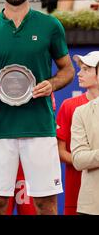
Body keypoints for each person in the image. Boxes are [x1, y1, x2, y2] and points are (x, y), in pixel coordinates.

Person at [0, 0, 75, 215]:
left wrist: (51, 84)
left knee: (45, 204)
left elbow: (68, 70)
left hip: (39, 126)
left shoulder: (50, 25)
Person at [57, 51, 99, 215]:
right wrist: (82, 159)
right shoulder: (71, 107)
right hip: (80, 192)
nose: (79, 74)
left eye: (86, 69)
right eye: (81, 68)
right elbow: (61, 152)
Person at [71, 54, 99, 215]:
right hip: (92, 206)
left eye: (86, 69)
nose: (79, 74)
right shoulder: (81, 112)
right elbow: (78, 159)